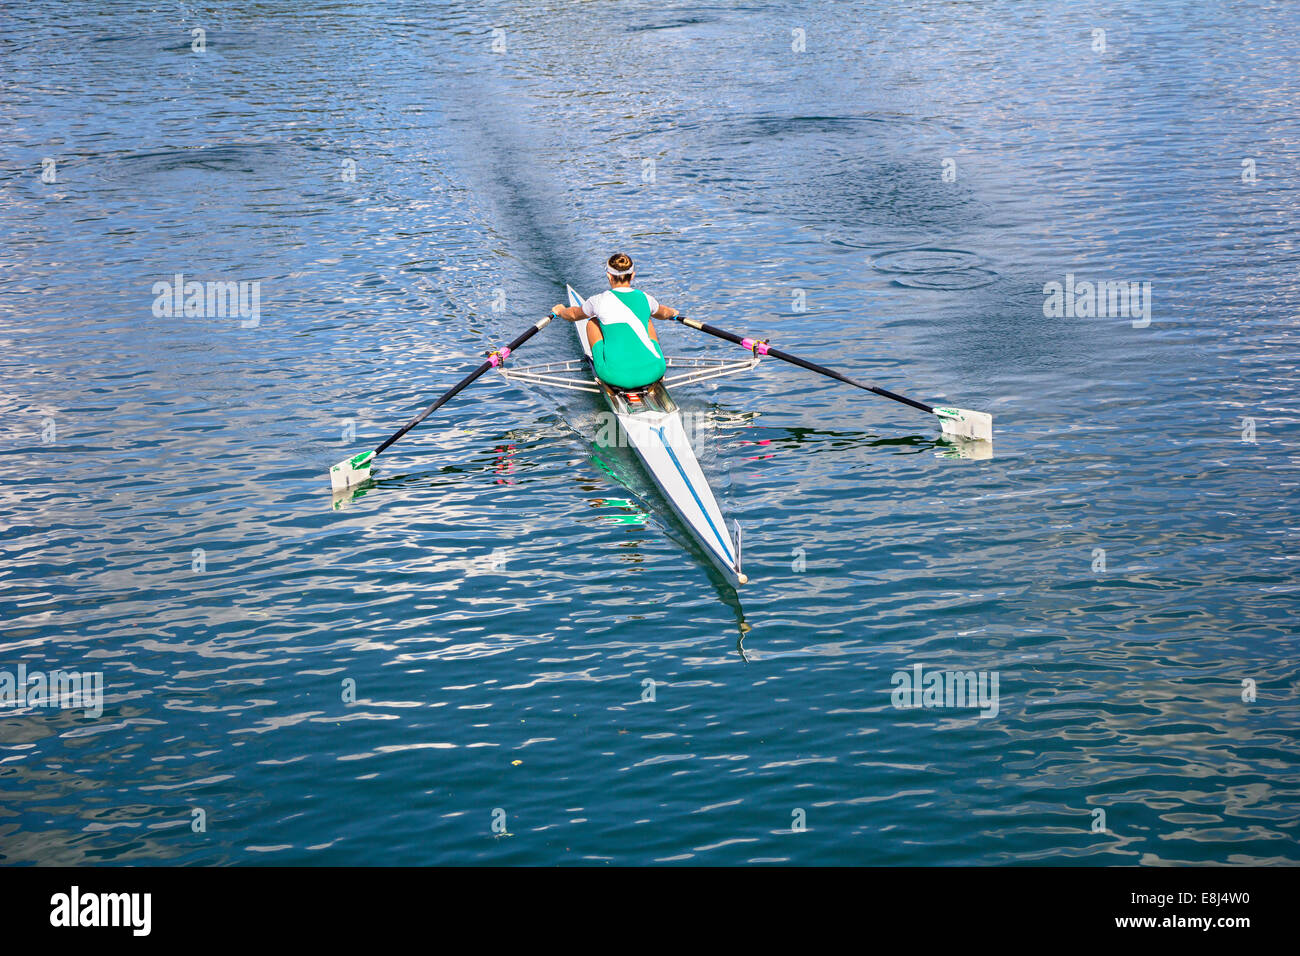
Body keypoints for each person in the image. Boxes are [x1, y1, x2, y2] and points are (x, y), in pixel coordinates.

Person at [552, 253, 679, 390]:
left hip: (614, 376)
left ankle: (602, 365)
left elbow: (572, 315)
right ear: (633, 275)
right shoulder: (646, 299)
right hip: (656, 370)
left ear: (609, 276)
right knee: (647, 320)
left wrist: (560, 310)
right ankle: (651, 371)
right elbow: (664, 313)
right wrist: (673, 312)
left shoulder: (598, 301)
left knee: (593, 322)